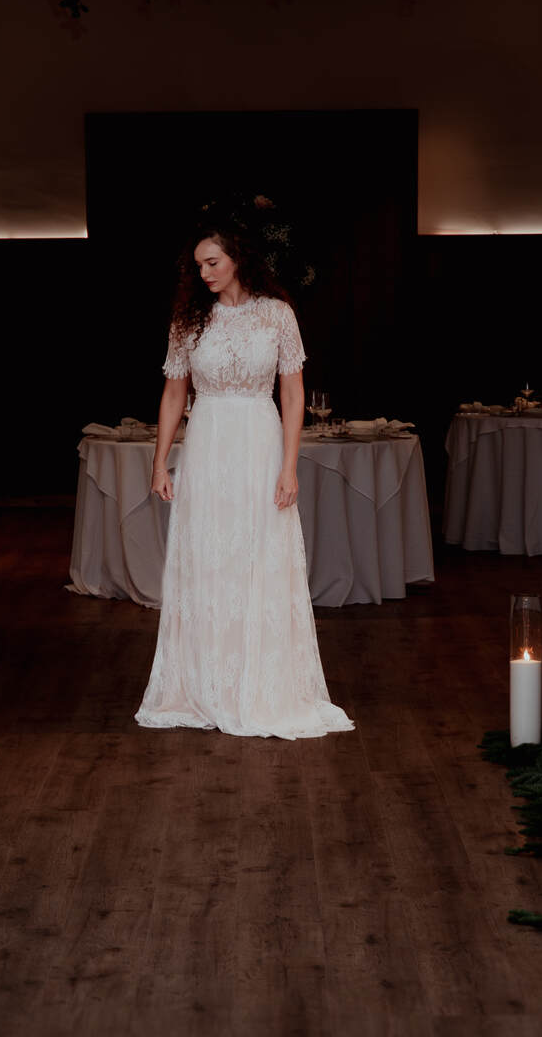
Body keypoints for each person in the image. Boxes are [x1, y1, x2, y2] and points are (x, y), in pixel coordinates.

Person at [134, 215, 353, 739]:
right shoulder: (189, 320)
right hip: (207, 445)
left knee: (259, 558)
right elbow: (173, 395)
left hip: (259, 440)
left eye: (213, 263)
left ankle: (261, 683)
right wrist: (160, 460)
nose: (205, 273)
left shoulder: (277, 315)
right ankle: (206, 686)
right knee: (208, 560)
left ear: (238, 260)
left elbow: (294, 394)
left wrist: (288, 466)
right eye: (199, 266)